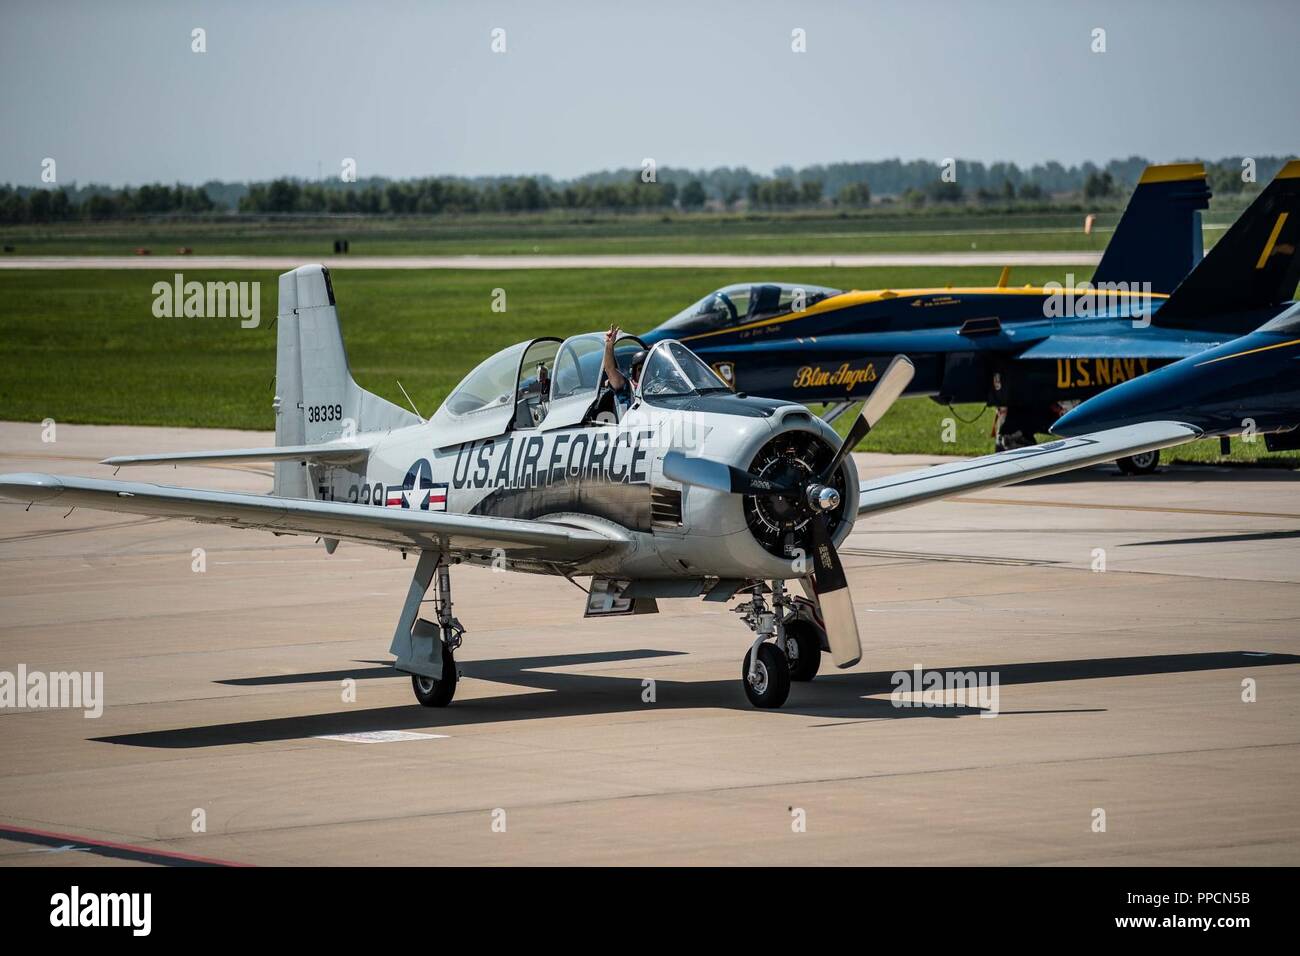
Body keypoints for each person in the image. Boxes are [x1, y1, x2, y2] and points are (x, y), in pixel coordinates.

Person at [602, 324, 646, 420]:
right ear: (633, 371)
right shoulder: (626, 387)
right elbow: (609, 369)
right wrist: (609, 345)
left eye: (647, 368)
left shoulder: (658, 388)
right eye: (640, 369)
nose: (644, 372)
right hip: (628, 427)